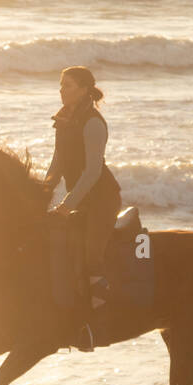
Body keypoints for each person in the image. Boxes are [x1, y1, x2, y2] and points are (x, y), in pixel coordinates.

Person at [45, 66, 122, 352]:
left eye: (67, 85)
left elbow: (92, 172)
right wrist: (42, 193)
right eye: (60, 85)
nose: (61, 90)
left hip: (101, 199)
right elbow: (58, 163)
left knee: (91, 254)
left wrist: (66, 206)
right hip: (80, 198)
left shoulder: (93, 123)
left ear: (83, 90)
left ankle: (98, 323)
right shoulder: (64, 119)